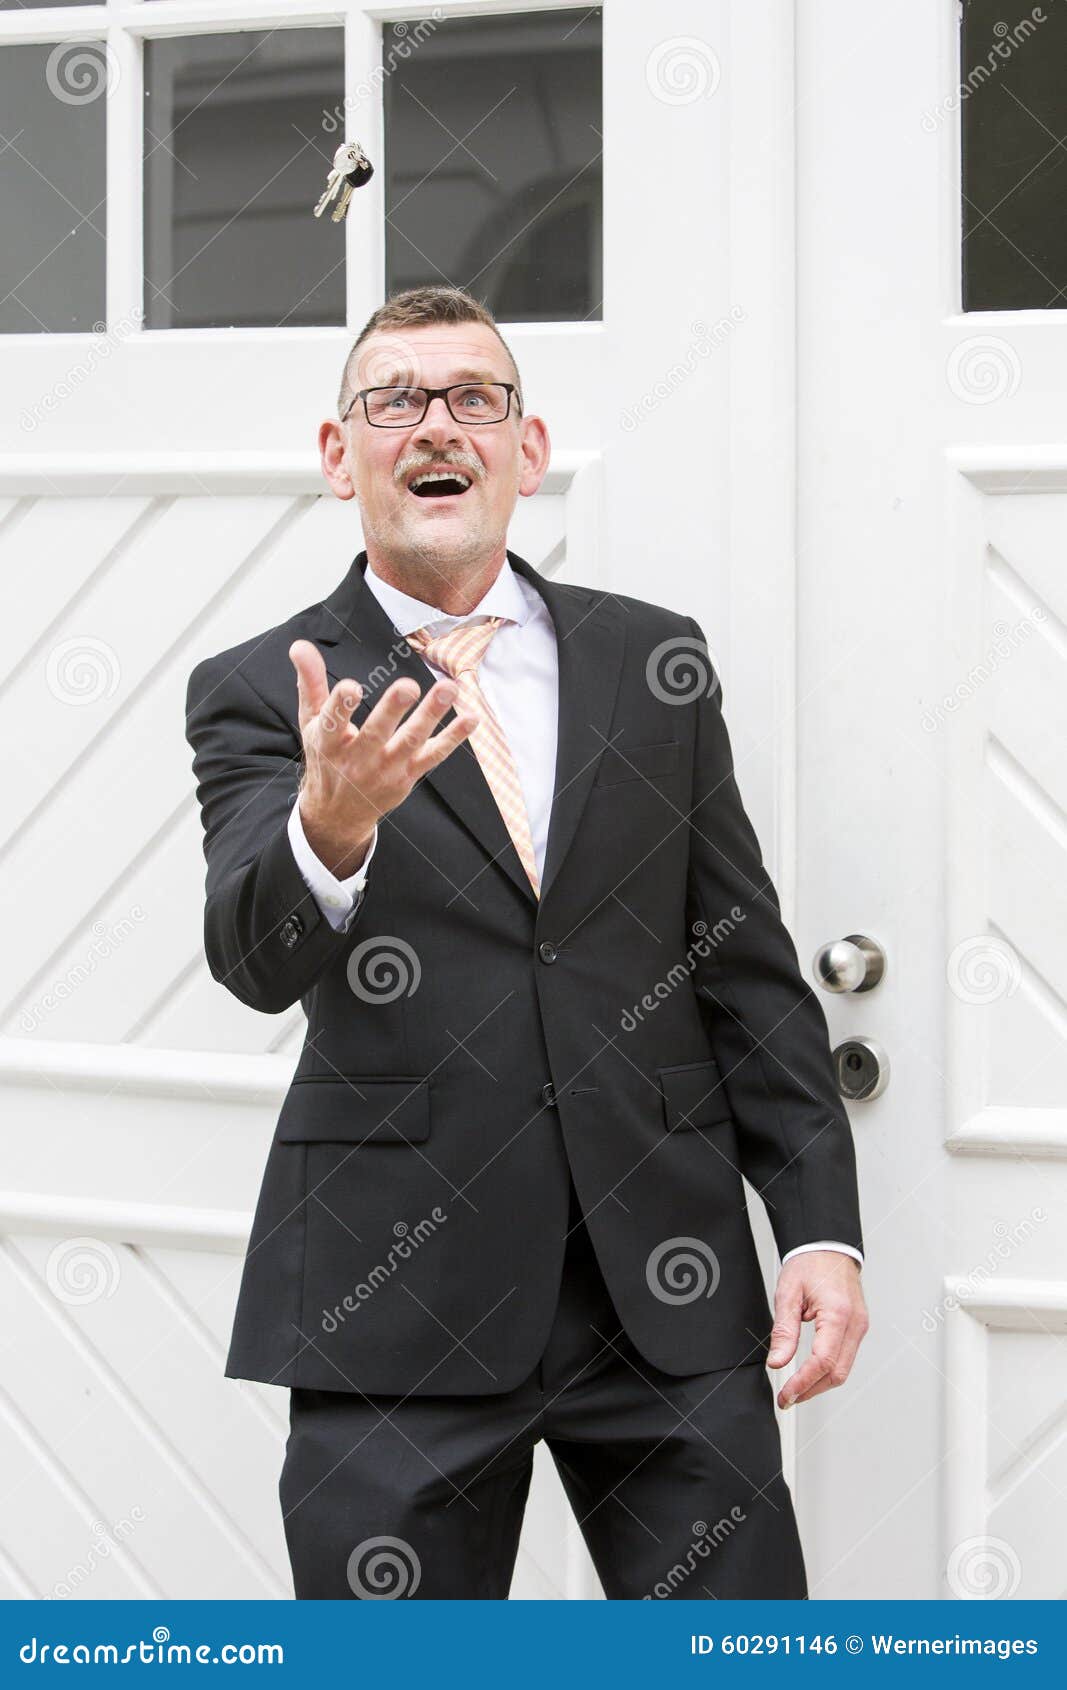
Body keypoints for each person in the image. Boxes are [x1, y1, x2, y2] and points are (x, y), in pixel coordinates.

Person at [185, 284, 868, 1601]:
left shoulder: (651, 663)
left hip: (662, 1296)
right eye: (396, 400)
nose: (436, 425)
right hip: (397, 1309)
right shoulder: (268, 688)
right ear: (343, 456)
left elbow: (744, 965)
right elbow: (253, 956)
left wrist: (821, 1230)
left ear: (526, 446)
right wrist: (328, 830)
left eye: (473, 399)